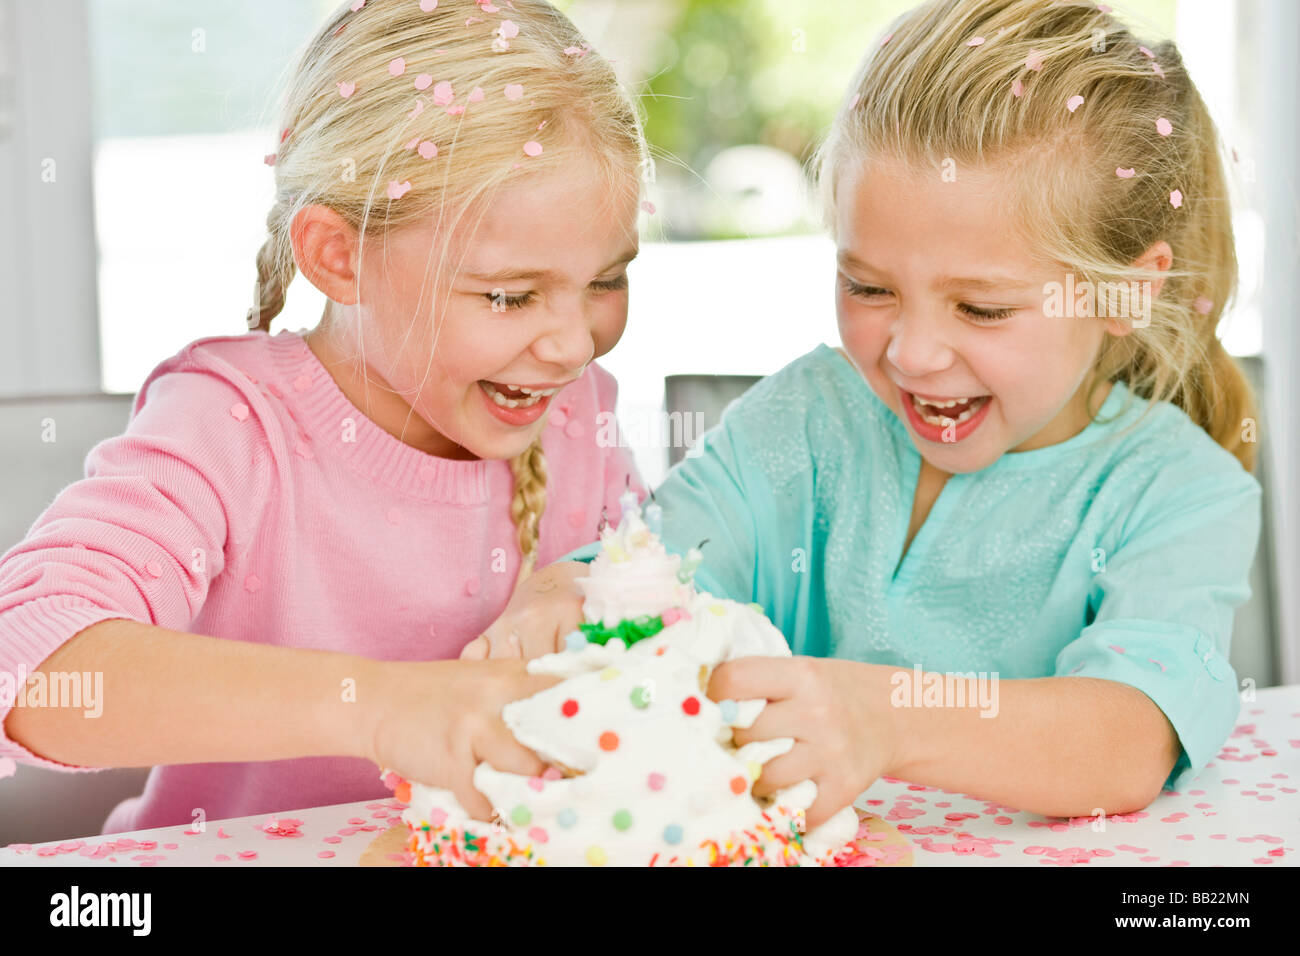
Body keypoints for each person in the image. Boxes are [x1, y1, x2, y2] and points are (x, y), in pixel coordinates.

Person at [475, 0, 1264, 832]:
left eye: (982, 309)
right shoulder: (810, 420)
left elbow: (1127, 737)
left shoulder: (1182, 491)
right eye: (869, 288)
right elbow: (660, 568)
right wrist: (570, 590)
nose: (913, 352)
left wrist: (884, 720)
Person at [0, 0, 649, 832]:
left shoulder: (575, 418)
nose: (570, 345)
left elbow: (655, 611)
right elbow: (33, 661)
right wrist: (383, 709)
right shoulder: (230, 425)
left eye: (605, 281)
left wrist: (586, 591)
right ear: (338, 255)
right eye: (509, 295)